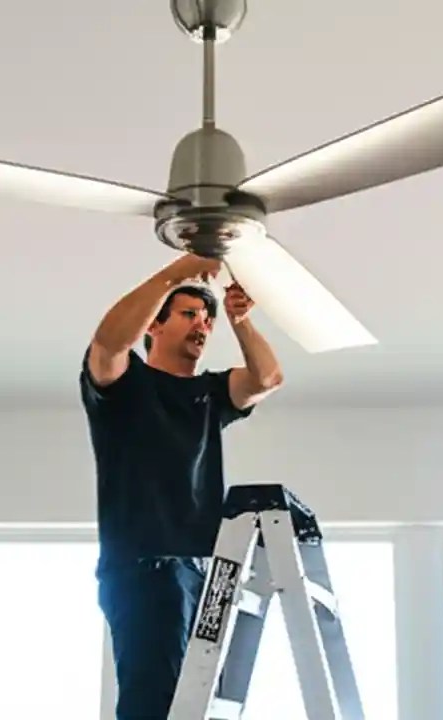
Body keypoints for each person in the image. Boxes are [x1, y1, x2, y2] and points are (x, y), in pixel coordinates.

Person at [79, 251, 285, 719]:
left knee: (196, 705)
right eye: (189, 314)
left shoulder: (209, 395)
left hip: (204, 572)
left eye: (207, 318)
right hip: (144, 566)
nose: (202, 324)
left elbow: (268, 378)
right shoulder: (125, 386)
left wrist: (239, 320)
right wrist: (177, 272)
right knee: (155, 703)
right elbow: (108, 343)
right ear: (155, 324)